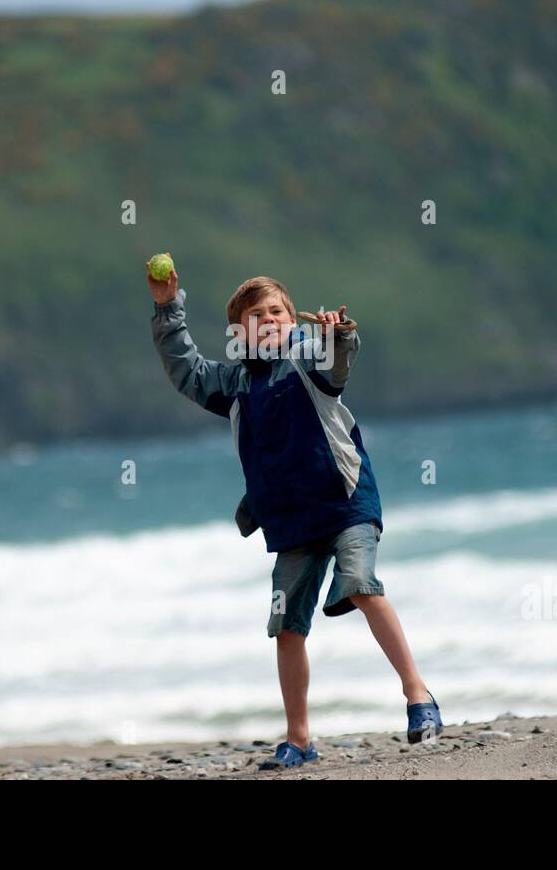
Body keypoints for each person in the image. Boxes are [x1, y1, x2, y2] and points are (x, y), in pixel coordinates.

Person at [147, 258, 442, 770]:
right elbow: (185, 369)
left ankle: (419, 697)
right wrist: (167, 307)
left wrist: (339, 335)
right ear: (240, 333)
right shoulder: (234, 383)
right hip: (291, 524)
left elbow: (338, 362)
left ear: (296, 319)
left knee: (360, 583)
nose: (273, 320)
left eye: (280, 311)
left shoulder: (310, 357)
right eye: (259, 316)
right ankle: (299, 738)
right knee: (287, 626)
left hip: (347, 503)